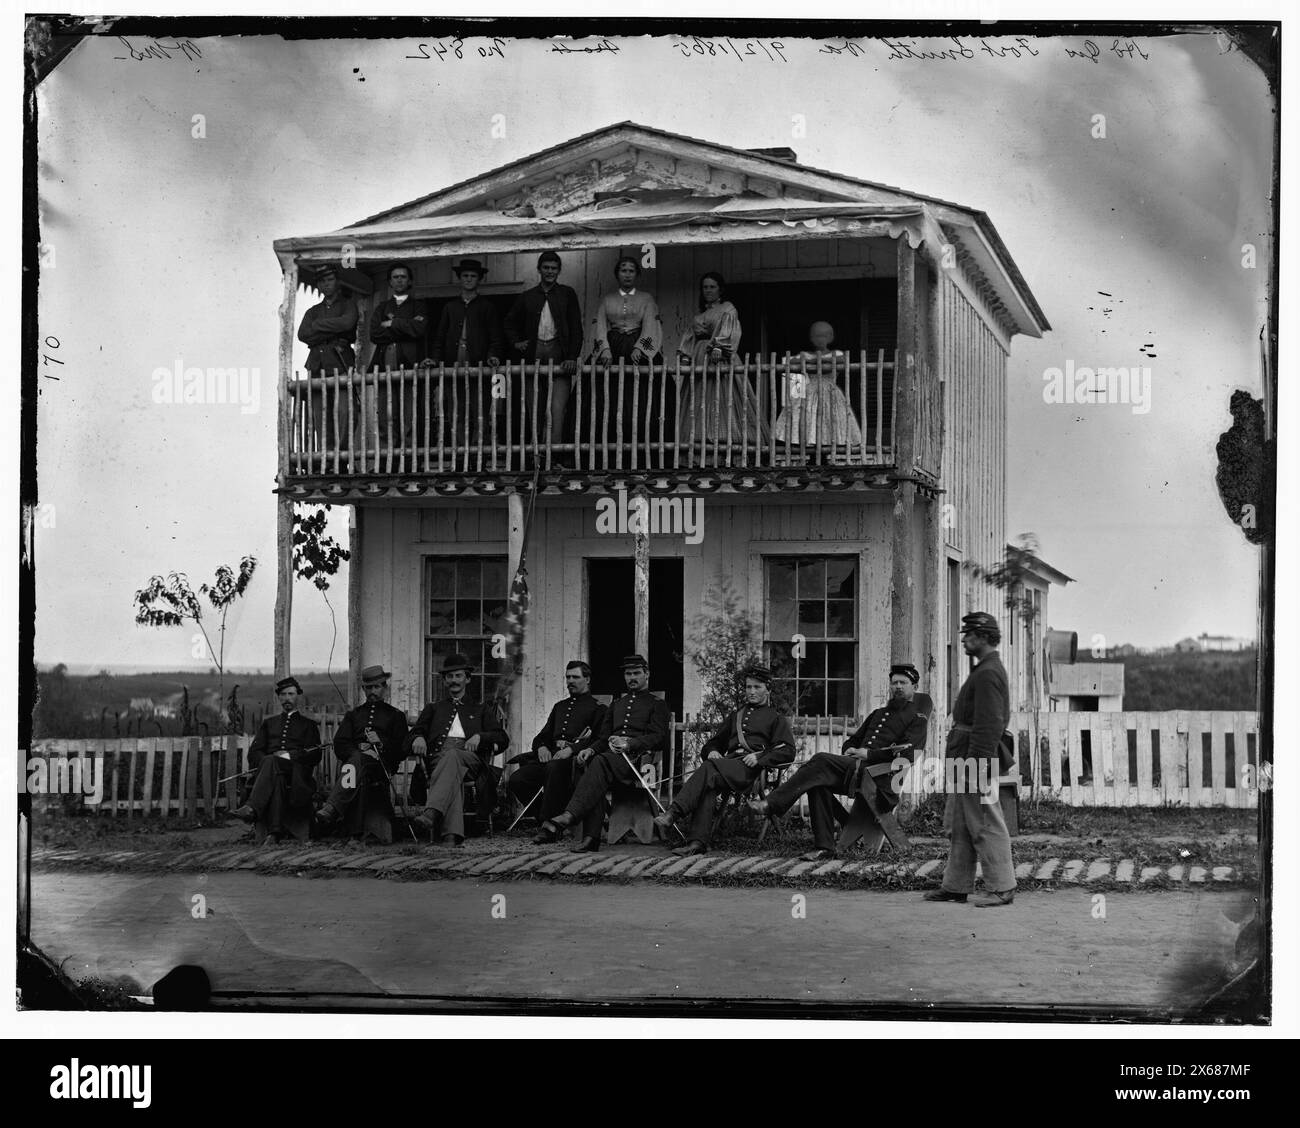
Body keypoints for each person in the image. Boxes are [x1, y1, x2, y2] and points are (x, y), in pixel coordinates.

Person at [749, 664, 929, 861]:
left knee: (820, 759)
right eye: (894, 683)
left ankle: (773, 804)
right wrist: (849, 750)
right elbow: (852, 741)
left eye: (903, 683)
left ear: (915, 686)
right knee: (817, 783)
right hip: (855, 770)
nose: (898, 687)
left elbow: (909, 754)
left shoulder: (917, 719)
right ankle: (824, 847)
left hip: (880, 778)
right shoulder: (878, 714)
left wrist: (868, 755)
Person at [923, 612, 1016, 907]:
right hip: (966, 756)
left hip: (975, 759)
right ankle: (956, 886)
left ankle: (1002, 887)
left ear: (984, 637)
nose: (964, 639)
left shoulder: (988, 673)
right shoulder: (985, 669)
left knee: (986, 821)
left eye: (969, 634)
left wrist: (977, 765)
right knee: (962, 823)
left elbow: (990, 724)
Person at [654, 665, 795, 857]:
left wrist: (760, 757)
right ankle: (697, 843)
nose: (751, 691)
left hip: (750, 772)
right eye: (748, 687)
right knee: (709, 780)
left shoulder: (776, 719)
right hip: (726, 767)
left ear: (767, 689)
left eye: (757, 687)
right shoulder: (736, 716)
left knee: (709, 769)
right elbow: (713, 743)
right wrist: (712, 751)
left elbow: (787, 751)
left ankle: (673, 813)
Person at [537, 654, 670, 851]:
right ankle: (590, 838)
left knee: (598, 764)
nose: (631, 678)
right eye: (628, 674)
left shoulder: (656, 704)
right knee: (593, 763)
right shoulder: (616, 705)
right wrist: (590, 749)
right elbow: (603, 737)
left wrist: (630, 744)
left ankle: (571, 818)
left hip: (638, 761)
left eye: (636, 673)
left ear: (647, 674)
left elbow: (658, 737)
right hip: (610, 761)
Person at [405, 654, 510, 846]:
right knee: (452, 769)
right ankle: (451, 836)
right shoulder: (434, 708)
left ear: (467, 679)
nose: (454, 680)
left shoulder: (480, 708)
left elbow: (502, 738)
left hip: (471, 762)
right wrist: (418, 737)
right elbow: (412, 735)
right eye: (450, 676)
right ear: (445, 680)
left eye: (458, 676)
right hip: (438, 761)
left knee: (453, 757)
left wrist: (481, 737)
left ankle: (432, 812)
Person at [313, 665, 410, 842]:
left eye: (377, 687)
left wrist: (380, 745)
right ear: (364, 689)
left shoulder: (395, 716)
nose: (373, 691)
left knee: (356, 764)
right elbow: (340, 743)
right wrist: (357, 752)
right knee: (357, 762)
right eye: (369, 687)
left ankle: (333, 807)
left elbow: (402, 749)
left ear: (385, 688)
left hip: (382, 766)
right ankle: (355, 834)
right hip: (356, 764)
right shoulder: (354, 715)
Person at [507, 661, 606, 830]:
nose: (570, 681)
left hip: (575, 763)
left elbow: (599, 739)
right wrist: (542, 747)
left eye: (575, 677)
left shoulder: (598, 708)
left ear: (587, 680)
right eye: (568, 677)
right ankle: (546, 819)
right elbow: (542, 736)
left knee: (554, 768)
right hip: (552, 758)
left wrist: (572, 750)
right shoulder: (560, 707)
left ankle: (549, 826)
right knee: (517, 779)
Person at [676, 271, 765, 453]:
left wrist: (719, 347)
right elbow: (689, 338)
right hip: (700, 358)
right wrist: (685, 357)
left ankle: (727, 438)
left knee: (723, 396)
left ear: (720, 290)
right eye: (705, 287)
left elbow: (729, 330)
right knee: (700, 398)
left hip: (719, 358)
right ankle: (699, 440)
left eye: (712, 287)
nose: (708, 290)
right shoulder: (700, 315)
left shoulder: (727, 308)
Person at [504, 251, 583, 449]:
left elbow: (576, 328)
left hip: (559, 352)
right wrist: (516, 343)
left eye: (554, 268)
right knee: (534, 407)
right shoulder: (527, 296)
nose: (550, 272)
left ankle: (554, 453)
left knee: (557, 409)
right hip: (535, 352)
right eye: (546, 268)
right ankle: (535, 454)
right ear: (539, 269)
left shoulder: (567, 294)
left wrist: (572, 356)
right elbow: (509, 323)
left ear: (559, 271)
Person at [232, 677, 322, 845]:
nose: (287, 698)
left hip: (297, 775)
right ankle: (274, 833)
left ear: (298, 697)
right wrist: (271, 759)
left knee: (272, 762)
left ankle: (251, 807)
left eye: (291, 694)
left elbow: (315, 754)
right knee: (275, 771)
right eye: (283, 694)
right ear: (279, 698)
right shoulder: (269, 724)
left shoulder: (308, 725)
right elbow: (254, 754)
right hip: (273, 774)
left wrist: (288, 756)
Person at [772, 320, 863, 459]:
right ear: (811, 338)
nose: (819, 339)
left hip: (830, 390)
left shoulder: (836, 353)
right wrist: (813, 360)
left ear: (830, 337)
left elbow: (842, 360)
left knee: (829, 420)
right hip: (810, 389)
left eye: (823, 336)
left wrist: (813, 361)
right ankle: (813, 456)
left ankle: (825, 456)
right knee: (809, 419)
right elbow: (791, 362)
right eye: (816, 336)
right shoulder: (805, 355)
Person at [428, 259, 504, 367]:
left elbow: (495, 338)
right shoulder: (450, 307)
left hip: (478, 360)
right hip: (453, 358)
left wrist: (492, 355)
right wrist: (435, 359)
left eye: (473, 276)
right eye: (465, 276)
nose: (469, 279)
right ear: (459, 278)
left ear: (479, 279)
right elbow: (440, 338)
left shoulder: (487, 307)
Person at [368, 263, 429, 372]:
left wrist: (392, 323)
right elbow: (374, 334)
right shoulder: (382, 307)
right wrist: (407, 328)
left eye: (403, 277)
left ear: (409, 281)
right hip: (384, 363)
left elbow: (419, 329)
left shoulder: (419, 306)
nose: (399, 280)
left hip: (411, 365)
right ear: (390, 282)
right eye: (395, 277)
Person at [298, 265, 359, 375]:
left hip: (340, 362)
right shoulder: (313, 311)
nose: (326, 284)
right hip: (316, 364)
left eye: (330, 280)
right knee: (314, 392)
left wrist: (317, 324)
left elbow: (347, 323)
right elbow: (303, 334)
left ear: (337, 282)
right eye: (322, 281)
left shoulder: (348, 305)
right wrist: (335, 332)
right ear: (318, 285)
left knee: (342, 391)